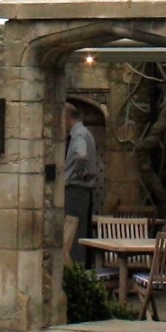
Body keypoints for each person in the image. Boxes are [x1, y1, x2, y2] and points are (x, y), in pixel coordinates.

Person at [61, 101, 99, 263]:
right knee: (80, 232)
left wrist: (78, 172)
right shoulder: (86, 133)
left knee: (72, 235)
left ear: (66, 118)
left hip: (75, 191)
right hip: (82, 192)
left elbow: (81, 155)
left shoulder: (79, 135)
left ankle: (73, 272)